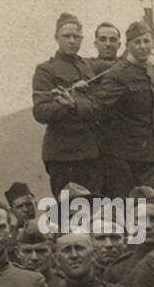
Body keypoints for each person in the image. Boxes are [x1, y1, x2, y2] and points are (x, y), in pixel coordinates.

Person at [84, 21, 154, 197]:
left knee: (151, 205)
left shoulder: (147, 67)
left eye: (146, 41)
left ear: (152, 43)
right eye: (137, 42)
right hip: (124, 158)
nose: (143, 47)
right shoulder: (118, 73)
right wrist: (73, 105)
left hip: (149, 154)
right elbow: (98, 104)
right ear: (127, 46)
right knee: (126, 206)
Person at [32, 12, 104, 194]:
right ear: (56, 38)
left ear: (82, 39)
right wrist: (64, 107)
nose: (72, 41)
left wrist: (74, 105)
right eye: (66, 36)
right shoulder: (45, 70)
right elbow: (40, 111)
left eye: (76, 37)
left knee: (93, 212)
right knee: (67, 213)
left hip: (90, 153)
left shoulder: (89, 67)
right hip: (62, 154)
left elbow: (98, 105)